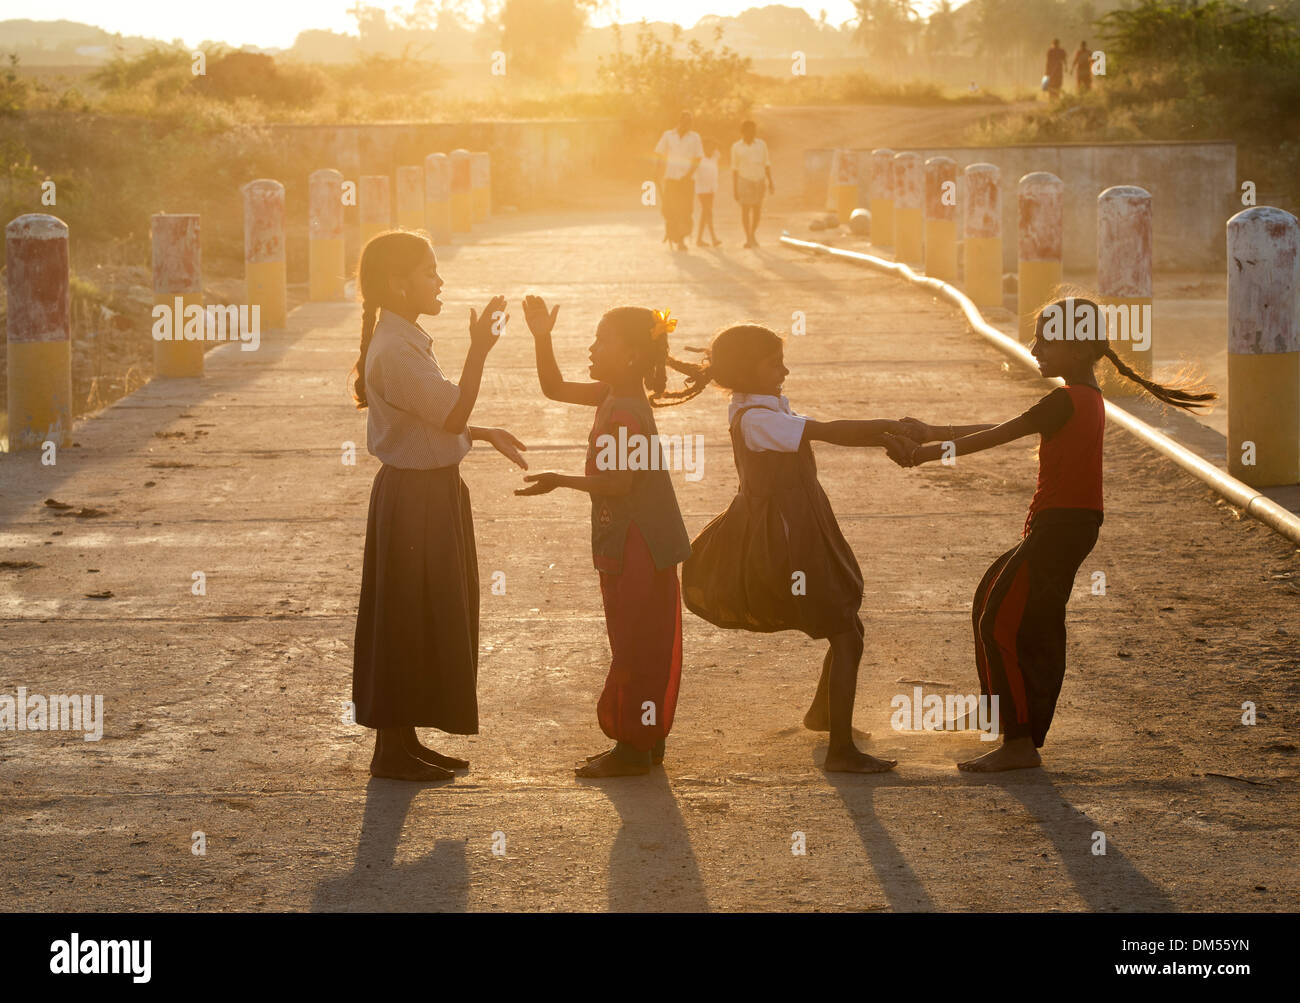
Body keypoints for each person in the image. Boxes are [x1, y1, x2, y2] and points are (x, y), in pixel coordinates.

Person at [883, 297, 1216, 772]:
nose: (1033, 346)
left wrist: (924, 454)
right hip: (1062, 525)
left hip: (1063, 528)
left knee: (999, 623)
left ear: (1078, 351)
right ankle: (999, 714)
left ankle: (1019, 743)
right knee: (988, 601)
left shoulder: (1069, 399)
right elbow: (1009, 428)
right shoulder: (1077, 396)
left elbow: (996, 436)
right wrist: (931, 431)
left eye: (1045, 338)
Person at [669, 324, 923, 773]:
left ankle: (823, 716)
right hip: (786, 533)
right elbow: (824, 431)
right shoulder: (756, 418)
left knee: (849, 627)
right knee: (845, 634)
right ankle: (840, 751)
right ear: (749, 370)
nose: (784, 370)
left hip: (797, 521)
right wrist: (886, 426)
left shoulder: (759, 406)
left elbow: (819, 430)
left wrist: (881, 434)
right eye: (774, 363)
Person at [349, 231, 528, 782]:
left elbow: (431, 420)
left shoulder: (404, 338)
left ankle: (403, 741)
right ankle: (391, 750)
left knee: (422, 614)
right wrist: (479, 349)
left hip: (428, 492)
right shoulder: (396, 349)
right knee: (407, 616)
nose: (440, 281)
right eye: (430, 272)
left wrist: (483, 429)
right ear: (399, 284)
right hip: (415, 500)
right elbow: (448, 416)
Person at [516, 298, 695, 777]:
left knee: (636, 643)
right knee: (645, 640)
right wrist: (541, 336)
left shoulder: (625, 413)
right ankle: (644, 739)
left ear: (634, 355)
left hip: (637, 542)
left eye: (603, 341)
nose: (592, 349)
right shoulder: (613, 396)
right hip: (639, 539)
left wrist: (561, 479)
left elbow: (618, 484)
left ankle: (634, 748)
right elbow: (552, 387)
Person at [654, 111, 703, 252]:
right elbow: (660, 154)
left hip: (687, 180)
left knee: (685, 210)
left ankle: (681, 239)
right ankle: (673, 234)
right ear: (680, 121)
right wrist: (657, 172)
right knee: (669, 209)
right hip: (671, 178)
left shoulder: (695, 138)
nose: (688, 125)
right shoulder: (668, 135)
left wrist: (689, 175)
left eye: (691, 122)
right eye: (686, 121)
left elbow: (698, 159)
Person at [730, 121, 773, 248]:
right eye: (750, 131)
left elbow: (766, 164)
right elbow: (734, 169)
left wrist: (770, 181)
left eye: (754, 131)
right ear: (743, 132)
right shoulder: (736, 147)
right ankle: (748, 237)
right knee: (745, 209)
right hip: (744, 180)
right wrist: (735, 189)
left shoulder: (761, 145)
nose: (752, 133)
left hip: (759, 179)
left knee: (757, 210)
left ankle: (752, 233)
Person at [695, 137, 723, 247]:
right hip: (702, 189)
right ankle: (713, 238)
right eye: (708, 147)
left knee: (705, 214)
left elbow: (718, 146)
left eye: (712, 147)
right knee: (708, 212)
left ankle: (699, 239)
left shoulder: (714, 157)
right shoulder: (699, 158)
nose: (711, 149)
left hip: (711, 189)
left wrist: (713, 144)